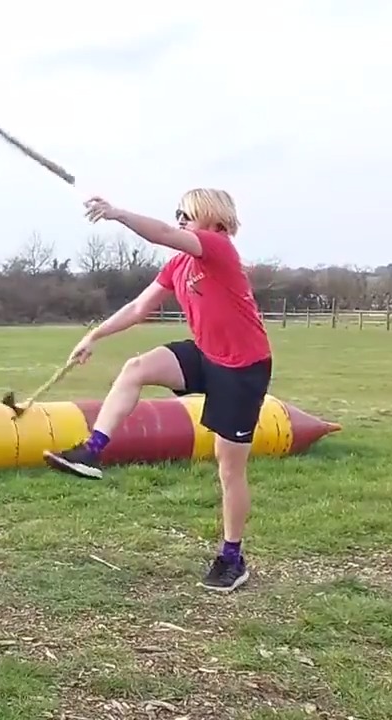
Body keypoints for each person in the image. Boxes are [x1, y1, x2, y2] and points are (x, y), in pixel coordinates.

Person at [42, 188, 272, 593]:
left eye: (188, 213)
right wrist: (94, 336)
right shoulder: (179, 265)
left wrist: (116, 213)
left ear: (214, 220)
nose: (180, 218)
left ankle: (232, 557)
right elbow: (137, 309)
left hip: (242, 369)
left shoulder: (217, 247)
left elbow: (162, 233)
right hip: (207, 355)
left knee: (229, 467)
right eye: (178, 212)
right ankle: (92, 451)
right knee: (136, 369)